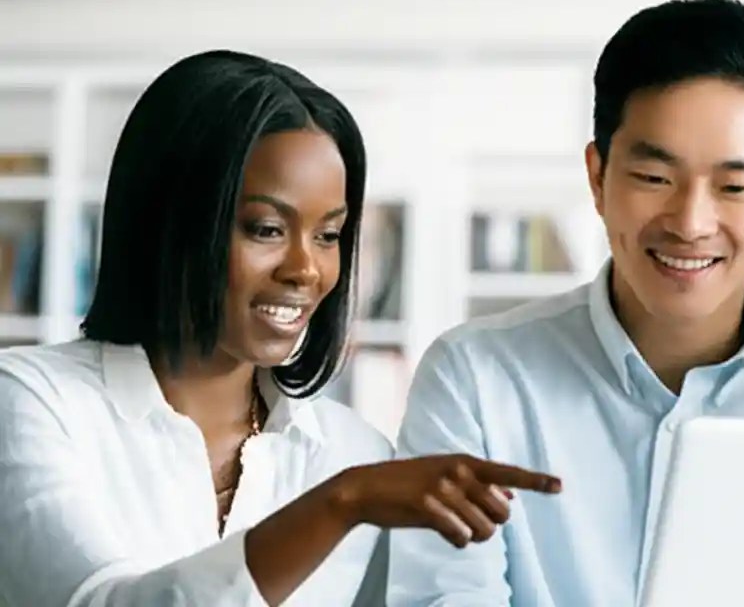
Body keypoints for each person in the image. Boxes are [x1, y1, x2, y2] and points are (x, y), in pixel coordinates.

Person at [387, 0, 744, 605]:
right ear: (598, 177)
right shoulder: (476, 379)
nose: (690, 223)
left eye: (734, 186)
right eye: (655, 178)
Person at [0, 50, 560, 607]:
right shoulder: (32, 402)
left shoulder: (352, 451)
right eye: (266, 229)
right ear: (168, 221)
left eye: (328, 235)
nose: (306, 270)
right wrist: (339, 504)